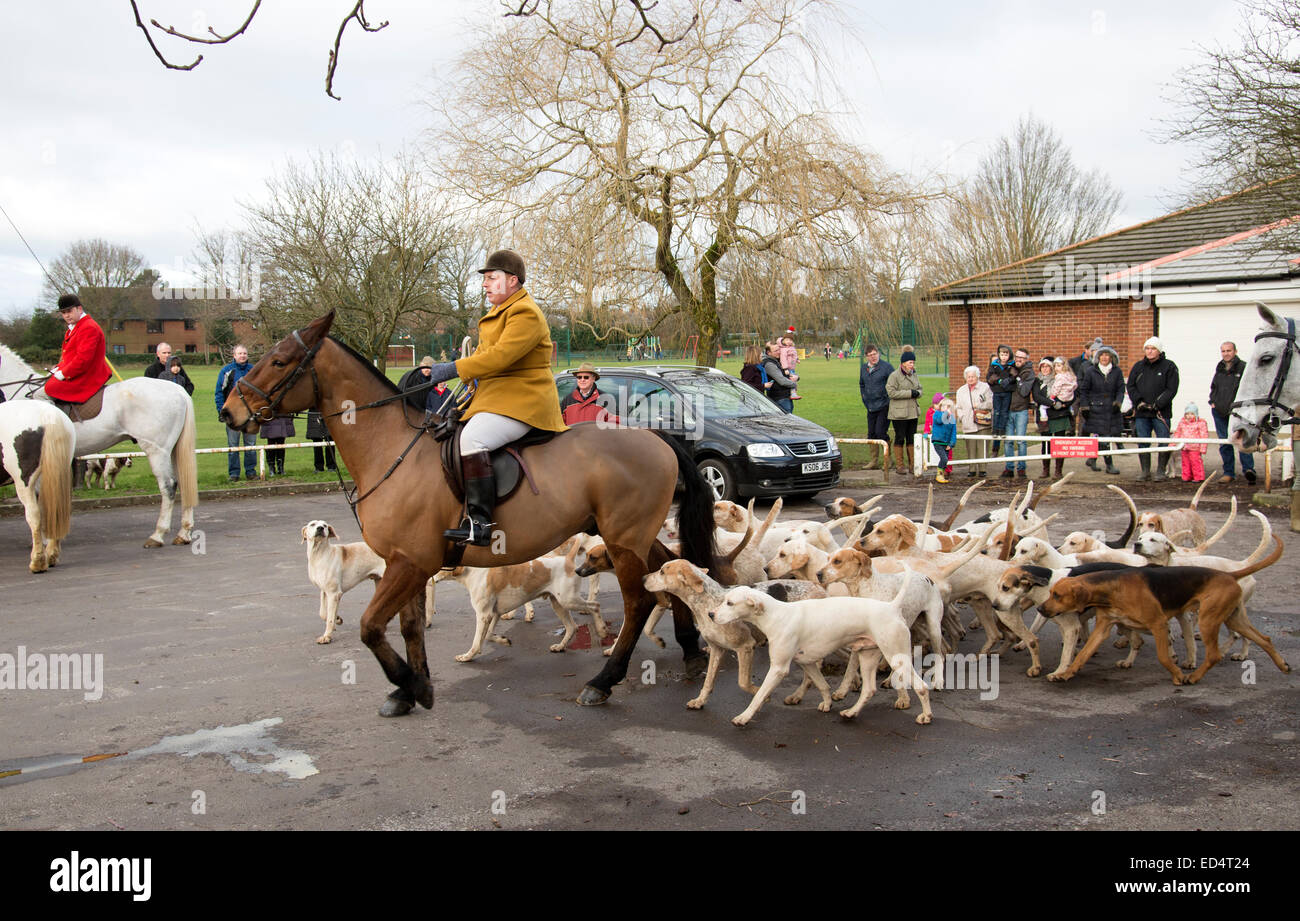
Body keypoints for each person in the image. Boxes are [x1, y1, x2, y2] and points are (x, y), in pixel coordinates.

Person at [421, 249, 567, 546]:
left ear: (512, 280)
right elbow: (485, 359)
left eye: (491, 278)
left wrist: (453, 368)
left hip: (523, 401)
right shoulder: (498, 313)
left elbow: (500, 358)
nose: (485, 284)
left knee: (472, 439)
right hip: (497, 397)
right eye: (485, 279)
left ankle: (480, 523)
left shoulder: (525, 313)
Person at [43, 294, 113, 406]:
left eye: (69, 311)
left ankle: (56, 423)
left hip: (87, 376)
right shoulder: (74, 327)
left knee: (42, 393)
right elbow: (69, 356)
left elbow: (83, 360)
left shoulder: (88, 327)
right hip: (77, 373)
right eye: (63, 313)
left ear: (79, 309)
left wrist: (63, 373)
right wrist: (58, 368)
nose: (66, 315)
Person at [1127, 336, 1180, 482]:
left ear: (1159, 350)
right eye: (1147, 348)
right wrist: (1139, 402)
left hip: (1161, 412)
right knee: (1143, 441)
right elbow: (1130, 386)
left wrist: (1158, 404)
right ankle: (1145, 471)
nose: (1150, 351)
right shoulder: (1138, 366)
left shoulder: (1169, 366)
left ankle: (1161, 470)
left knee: (1163, 440)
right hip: (1141, 412)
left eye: (1153, 348)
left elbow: (1172, 388)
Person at [1209, 341, 1256, 485]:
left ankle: (1249, 470)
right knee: (1225, 443)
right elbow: (1214, 386)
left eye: (1228, 350)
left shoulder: (1244, 367)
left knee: (1243, 440)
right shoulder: (1220, 367)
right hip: (1219, 411)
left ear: (1235, 351)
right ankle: (1229, 472)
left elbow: (1250, 388)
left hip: (1238, 412)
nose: (1226, 353)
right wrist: (1212, 401)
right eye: (1223, 351)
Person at [1077, 345, 1124, 475]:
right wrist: (1085, 406)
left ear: (1111, 357)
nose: (1104, 357)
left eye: (1107, 355)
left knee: (1106, 436)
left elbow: (1121, 389)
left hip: (1111, 410)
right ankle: (1109, 465)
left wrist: (1118, 403)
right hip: (1095, 409)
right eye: (1102, 355)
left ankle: (1092, 458)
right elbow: (1084, 390)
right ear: (1098, 357)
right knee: (1103, 437)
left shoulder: (1117, 371)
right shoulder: (1091, 371)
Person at [217, 344, 257, 481]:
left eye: (244, 353)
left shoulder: (253, 370)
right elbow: (219, 393)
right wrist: (222, 412)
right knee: (233, 446)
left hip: (251, 415)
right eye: (240, 353)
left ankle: (251, 472)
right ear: (234, 355)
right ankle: (234, 474)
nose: (242, 356)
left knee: (250, 445)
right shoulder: (226, 371)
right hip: (233, 415)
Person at [1032, 356, 1075, 479]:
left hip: (1059, 414)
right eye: (1042, 367)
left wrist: (1065, 404)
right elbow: (1037, 397)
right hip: (1045, 416)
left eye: (1047, 366)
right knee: (1046, 443)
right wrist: (1052, 403)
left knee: (1059, 443)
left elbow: (1072, 394)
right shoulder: (1037, 381)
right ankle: (1045, 470)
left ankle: (1058, 470)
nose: (1045, 369)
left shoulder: (1059, 378)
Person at [885, 349, 922, 475]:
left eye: (913, 362)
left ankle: (912, 465)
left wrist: (918, 393)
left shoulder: (914, 374)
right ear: (903, 363)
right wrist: (910, 393)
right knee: (900, 438)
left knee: (912, 438)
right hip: (899, 414)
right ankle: (900, 466)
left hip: (912, 412)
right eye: (910, 362)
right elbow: (891, 392)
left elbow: (920, 388)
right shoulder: (894, 376)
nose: (912, 365)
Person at [1000, 347, 1035, 480]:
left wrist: (1017, 378)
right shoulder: (1009, 368)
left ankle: (1021, 468)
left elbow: (1025, 391)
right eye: (1017, 356)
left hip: (1021, 410)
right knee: (1008, 441)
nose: (1018, 359)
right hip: (1008, 409)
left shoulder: (1029, 373)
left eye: (1022, 357)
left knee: (1021, 441)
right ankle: (1009, 468)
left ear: (1026, 359)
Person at [858, 344, 893, 471]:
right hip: (870, 406)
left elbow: (894, 383)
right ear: (866, 356)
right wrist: (864, 398)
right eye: (870, 355)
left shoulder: (886, 367)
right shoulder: (863, 368)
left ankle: (888, 459)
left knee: (880, 432)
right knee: (871, 433)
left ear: (878, 353)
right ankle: (874, 461)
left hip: (884, 405)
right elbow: (861, 384)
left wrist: (887, 398)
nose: (873, 357)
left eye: (875, 354)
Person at [953, 365, 993, 478]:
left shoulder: (985, 388)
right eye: (968, 376)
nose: (970, 379)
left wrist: (980, 405)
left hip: (982, 422)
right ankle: (971, 469)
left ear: (977, 377)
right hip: (968, 422)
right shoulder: (961, 390)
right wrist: (962, 417)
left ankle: (982, 469)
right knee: (970, 447)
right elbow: (958, 407)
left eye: (973, 376)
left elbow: (990, 403)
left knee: (982, 446)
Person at [987, 344, 1015, 457]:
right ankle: (995, 430)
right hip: (997, 392)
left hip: (1007, 392)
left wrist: (1008, 380)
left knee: (1004, 412)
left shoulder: (1011, 366)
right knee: (997, 411)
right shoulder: (994, 366)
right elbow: (990, 378)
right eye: (1002, 354)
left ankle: (1002, 430)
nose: (1004, 356)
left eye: (1006, 354)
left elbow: (1014, 377)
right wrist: (999, 381)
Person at [1173, 403, 1209, 483]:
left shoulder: (1201, 423)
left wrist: (1203, 447)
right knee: (1185, 463)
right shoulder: (1182, 422)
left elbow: (1204, 435)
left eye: (1192, 414)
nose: (1189, 416)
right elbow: (1177, 433)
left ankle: (1198, 477)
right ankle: (1186, 477)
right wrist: (1173, 443)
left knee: (1196, 462)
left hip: (1195, 447)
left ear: (1196, 414)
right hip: (1184, 447)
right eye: (1187, 414)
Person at [760, 342, 798, 412]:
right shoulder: (769, 364)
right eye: (776, 351)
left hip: (785, 397)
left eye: (779, 349)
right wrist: (794, 384)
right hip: (779, 398)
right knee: (786, 421)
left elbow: (785, 374)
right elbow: (782, 381)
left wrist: (796, 377)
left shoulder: (778, 361)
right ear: (769, 352)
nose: (779, 352)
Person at [930, 397, 957, 484]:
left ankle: (941, 474)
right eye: (944, 406)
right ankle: (939, 474)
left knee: (945, 460)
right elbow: (939, 421)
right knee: (944, 458)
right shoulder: (937, 414)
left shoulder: (952, 418)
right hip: (938, 441)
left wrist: (952, 443)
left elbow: (953, 431)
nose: (946, 408)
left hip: (946, 442)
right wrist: (945, 414)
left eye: (948, 407)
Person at [779, 335, 801, 400]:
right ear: (783, 341)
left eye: (790, 340)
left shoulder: (792, 348)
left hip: (792, 368)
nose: (789, 341)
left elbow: (794, 355)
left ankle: (794, 393)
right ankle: (793, 394)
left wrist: (797, 359)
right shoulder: (784, 349)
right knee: (792, 380)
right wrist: (785, 368)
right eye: (787, 340)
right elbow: (783, 359)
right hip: (787, 369)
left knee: (794, 379)